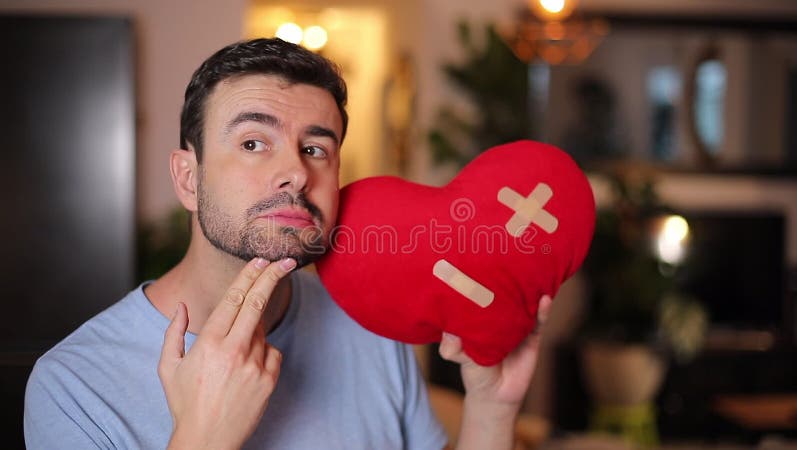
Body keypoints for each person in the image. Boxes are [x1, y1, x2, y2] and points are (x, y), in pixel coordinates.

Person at [24, 38, 549, 449]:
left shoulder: (370, 323)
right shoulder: (74, 386)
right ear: (188, 179)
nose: (295, 172)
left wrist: (492, 408)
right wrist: (204, 437)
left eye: (316, 148)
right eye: (254, 143)